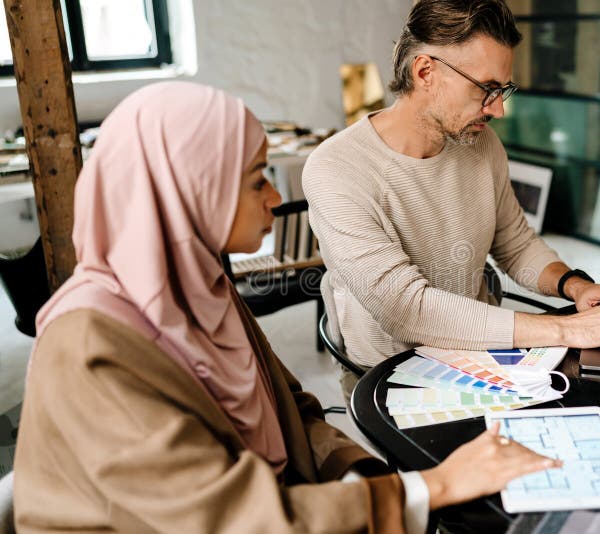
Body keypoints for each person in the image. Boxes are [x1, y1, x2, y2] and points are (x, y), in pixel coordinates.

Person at [12, 81, 562, 533]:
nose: (275, 199)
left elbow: (290, 411)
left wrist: (367, 481)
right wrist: (430, 487)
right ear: (191, 191)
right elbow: (225, 523)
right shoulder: (88, 348)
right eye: (256, 180)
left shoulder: (201, 290)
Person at [302, 0, 600, 385]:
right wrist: (568, 329)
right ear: (425, 71)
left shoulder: (482, 144)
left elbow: (515, 244)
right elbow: (406, 310)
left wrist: (577, 287)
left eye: (502, 90)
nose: (499, 111)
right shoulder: (335, 168)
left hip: (483, 358)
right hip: (392, 378)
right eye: (487, 89)